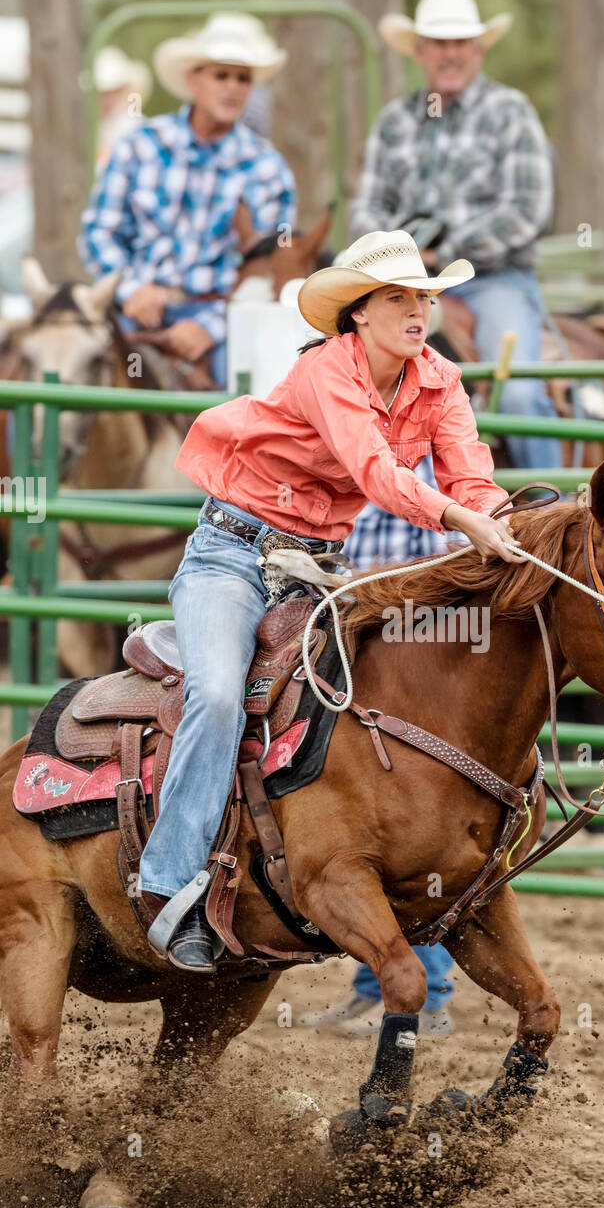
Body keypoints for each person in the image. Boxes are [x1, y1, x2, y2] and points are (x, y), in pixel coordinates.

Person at [132, 229, 522, 974]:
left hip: (314, 568)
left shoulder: (439, 380)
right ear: (359, 314)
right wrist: (457, 518)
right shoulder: (325, 371)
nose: (417, 312)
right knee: (216, 693)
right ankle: (168, 885)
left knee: (378, 700)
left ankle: (328, 868)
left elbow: (472, 474)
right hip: (232, 554)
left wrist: (498, 519)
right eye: (399, 298)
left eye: (424, 298)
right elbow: (374, 471)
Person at [350, 0, 559, 472]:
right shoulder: (394, 122)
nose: (451, 54)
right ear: (420, 51)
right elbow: (367, 206)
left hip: (490, 281)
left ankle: (553, 514)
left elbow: (527, 211)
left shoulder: (510, 112)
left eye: (461, 43)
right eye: (440, 44)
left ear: (479, 49)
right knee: (339, 378)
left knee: (521, 397)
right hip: (398, 283)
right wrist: (396, 256)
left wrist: (445, 255)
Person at [298, 453, 462, 1039]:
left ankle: (428, 992)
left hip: (408, 664)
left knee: (413, 844)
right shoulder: (374, 471)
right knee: (376, 834)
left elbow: (432, 574)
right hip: (366, 647)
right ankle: (378, 987)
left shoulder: (428, 481)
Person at [78, 13, 296, 387]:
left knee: (259, 400)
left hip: (224, 322)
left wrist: (209, 327)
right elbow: (99, 231)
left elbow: (269, 271)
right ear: (193, 80)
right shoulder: (140, 145)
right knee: (60, 381)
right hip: (133, 312)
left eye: (243, 78)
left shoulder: (267, 168)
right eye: (221, 75)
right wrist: (132, 289)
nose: (233, 87)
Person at [92, 47, 153, 173]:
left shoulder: (135, 126)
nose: (108, 98)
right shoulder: (89, 125)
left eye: (114, 91)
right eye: (103, 93)